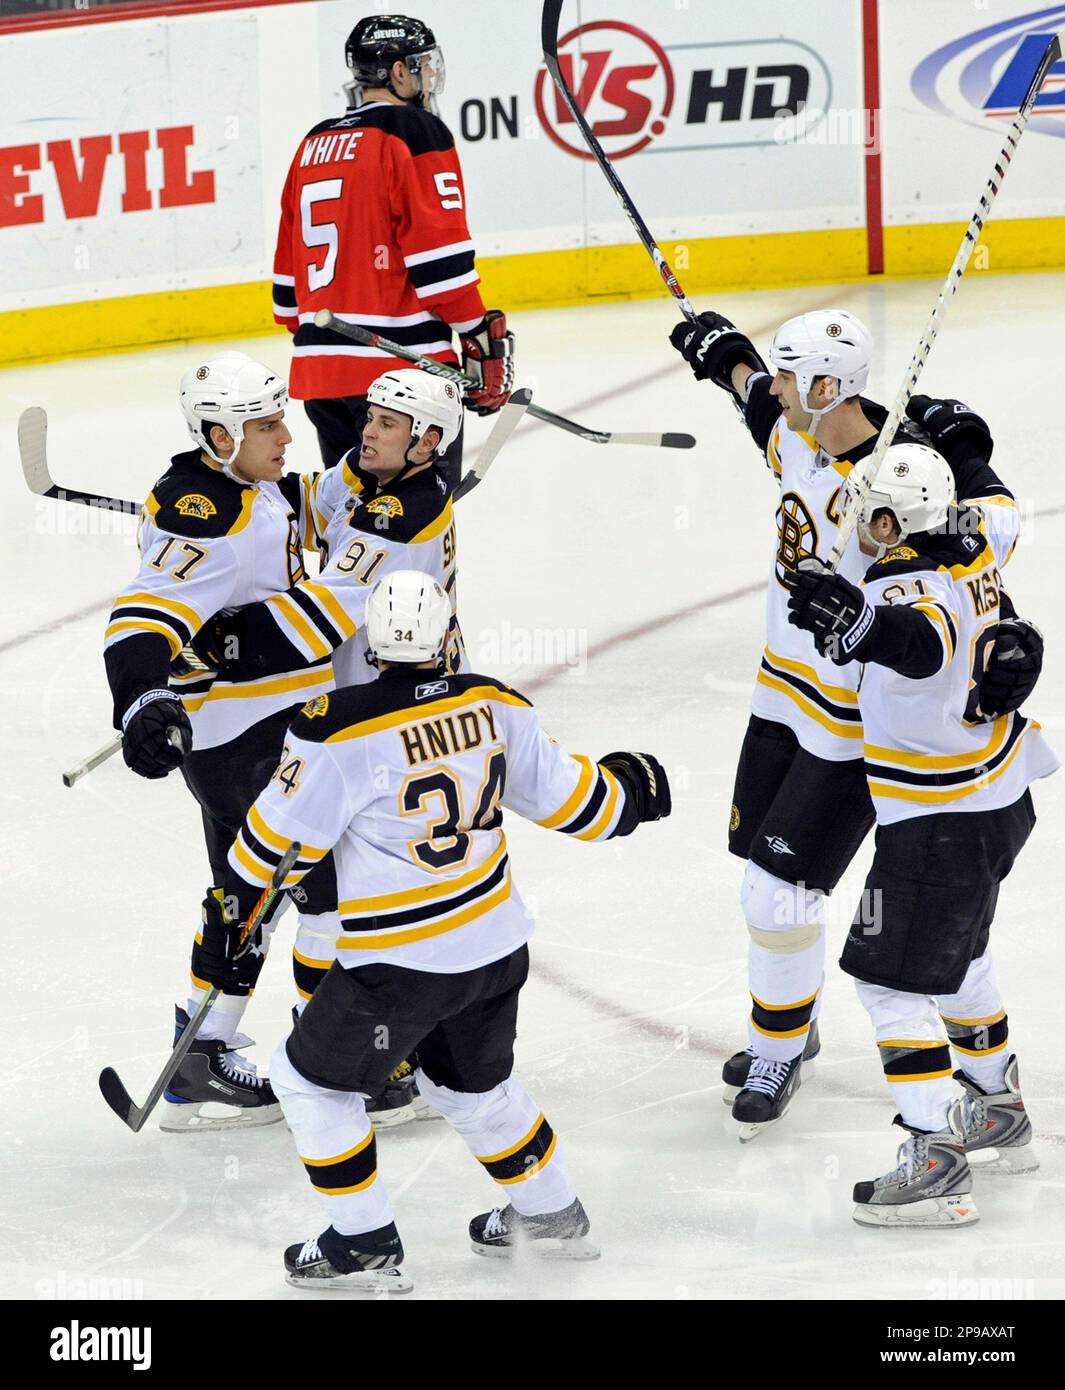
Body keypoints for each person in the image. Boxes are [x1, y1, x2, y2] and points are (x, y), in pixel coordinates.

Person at [193, 569, 671, 1292]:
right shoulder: (492, 702)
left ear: (371, 644)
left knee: (310, 1084)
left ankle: (362, 1245)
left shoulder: (333, 725)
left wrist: (236, 905)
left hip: (398, 968)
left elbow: (266, 851)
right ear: (447, 635)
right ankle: (551, 1219)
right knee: (474, 1090)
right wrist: (629, 792)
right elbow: (578, 805)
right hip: (495, 949)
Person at [669, 310, 1033, 1139]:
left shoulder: (902, 474)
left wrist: (967, 452)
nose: (776, 386)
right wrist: (721, 355)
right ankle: (797, 1031)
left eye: (790, 375)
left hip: (847, 720)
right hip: (778, 695)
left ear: (830, 387)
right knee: (768, 889)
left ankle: (778, 1046)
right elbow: (753, 399)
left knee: (775, 890)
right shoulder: (793, 431)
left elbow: (992, 534)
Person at [787, 440, 1056, 1225]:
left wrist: (863, 623)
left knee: (887, 979)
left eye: (868, 509)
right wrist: (961, 436)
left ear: (890, 516)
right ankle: (994, 1106)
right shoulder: (975, 540)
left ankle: (933, 1154)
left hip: (939, 823)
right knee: (960, 953)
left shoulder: (909, 584)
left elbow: (920, 639)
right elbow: (990, 503)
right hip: (996, 802)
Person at [103, 351, 351, 1130]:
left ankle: (202, 1055)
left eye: (282, 418)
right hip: (250, 745)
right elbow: (140, 620)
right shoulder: (203, 519)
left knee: (246, 898)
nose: (286, 434)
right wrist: (141, 698)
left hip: (250, 737)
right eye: (267, 424)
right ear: (218, 435)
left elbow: (295, 506)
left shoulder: (247, 484)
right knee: (334, 894)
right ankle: (349, 1066)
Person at [194, 367, 468, 1037]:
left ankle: (325, 1046)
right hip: (348, 718)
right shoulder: (377, 483)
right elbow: (312, 503)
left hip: (397, 721)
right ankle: (292, 1045)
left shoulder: (402, 511)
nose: (365, 430)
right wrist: (239, 497)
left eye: (385, 424)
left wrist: (217, 642)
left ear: (427, 441)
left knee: (338, 895)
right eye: (368, 416)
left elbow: (320, 614)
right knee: (291, 891)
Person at [271, 12, 514, 478]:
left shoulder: (312, 144)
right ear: (399, 71)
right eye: (421, 65)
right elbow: (441, 264)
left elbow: (287, 300)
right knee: (415, 534)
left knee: (352, 528)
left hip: (321, 375)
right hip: (401, 381)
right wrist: (477, 333)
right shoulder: (415, 131)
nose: (429, 77)